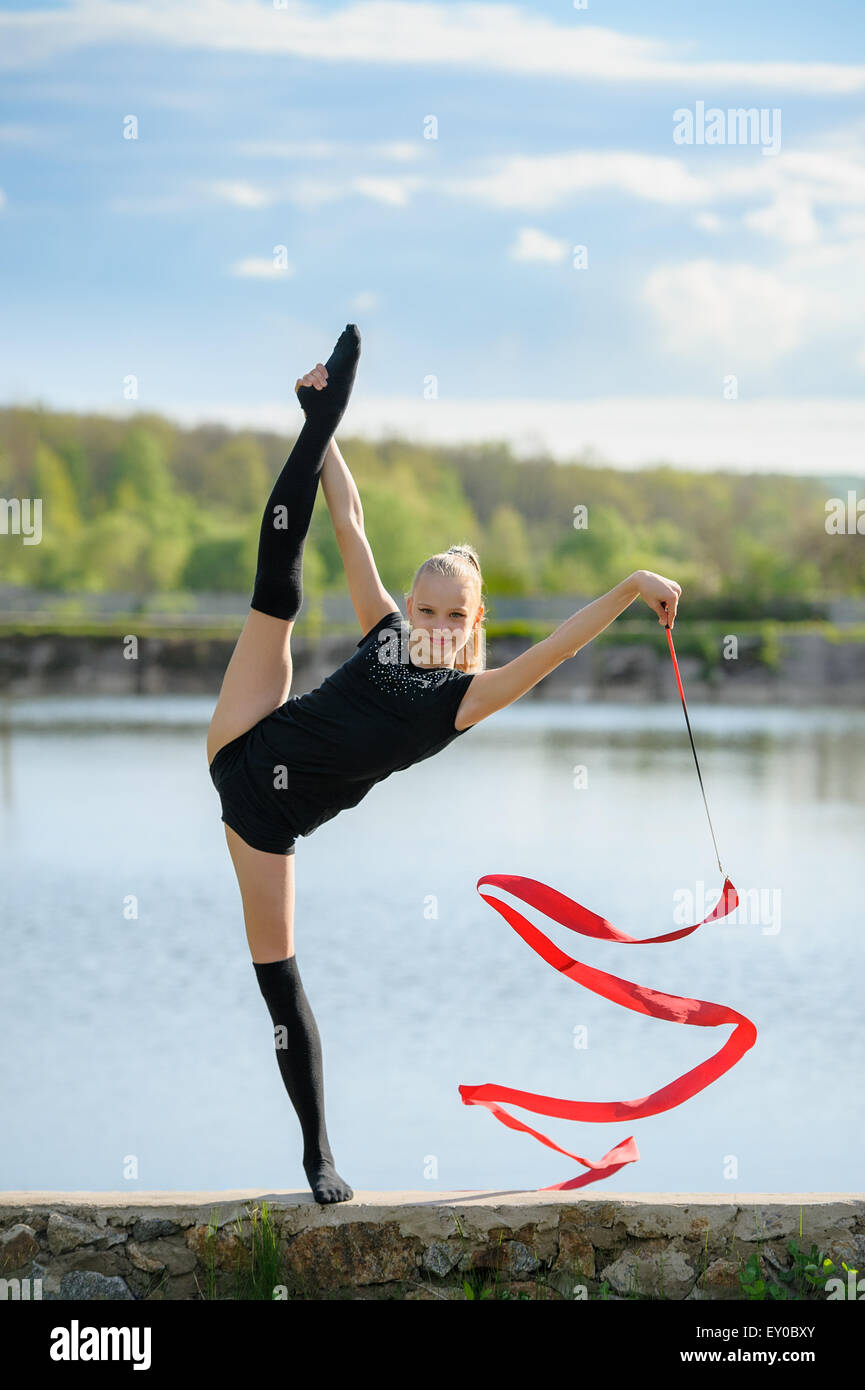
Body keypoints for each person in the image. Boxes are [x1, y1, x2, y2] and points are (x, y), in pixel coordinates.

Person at [206, 323, 682, 1204]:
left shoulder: (466, 699)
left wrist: (627, 585)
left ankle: (317, 1157)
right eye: (424, 606)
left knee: (279, 981)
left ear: (473, 620)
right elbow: (346, 523)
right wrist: (327, 430)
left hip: (261, 823)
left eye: (450, 615)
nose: (431, 624)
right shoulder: (385, 631)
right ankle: (320, 413)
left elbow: (556, 648)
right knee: (278, 582)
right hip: (246, 740)